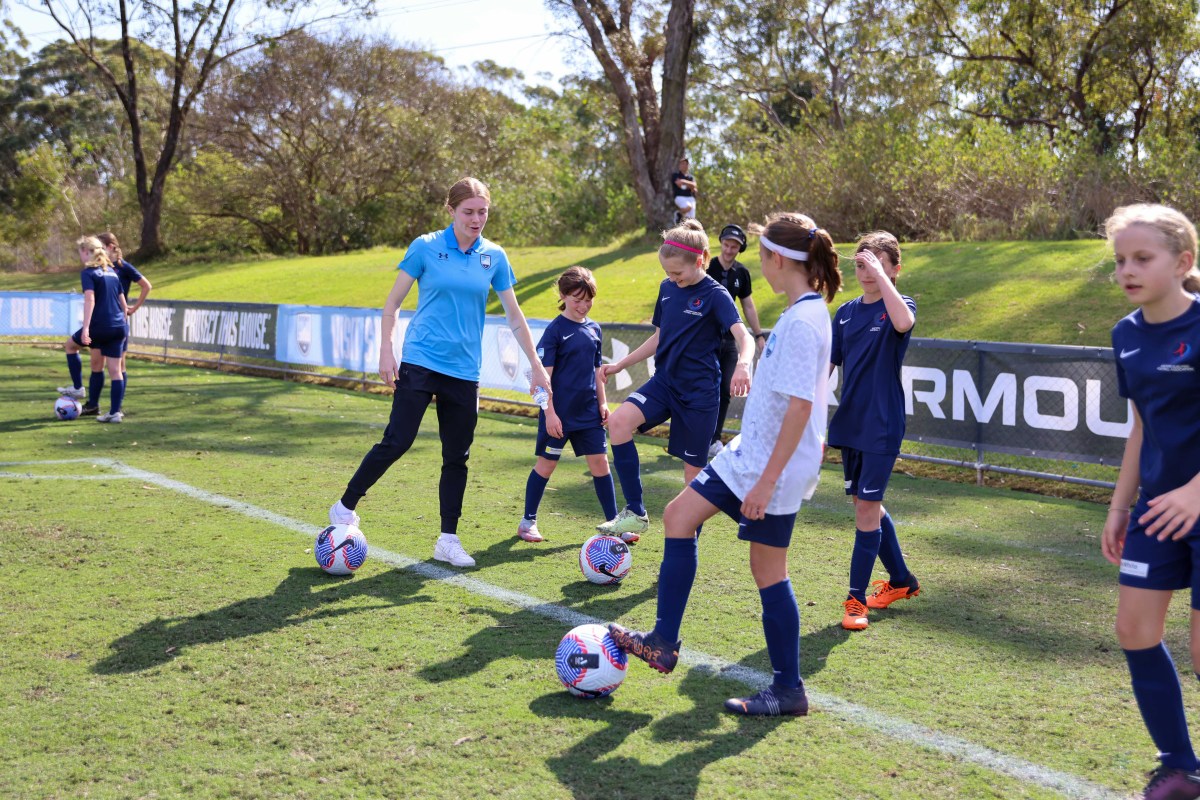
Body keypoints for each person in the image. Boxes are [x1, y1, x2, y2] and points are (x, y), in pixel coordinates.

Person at [606, 211, 840, 716]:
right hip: (748, 456)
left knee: (768, 570)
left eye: (763, 256)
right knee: (678, 516)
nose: (759, 265)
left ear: (778, 260)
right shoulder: (802, 312)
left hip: (769, 468)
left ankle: (789, 689)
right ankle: (663, 642)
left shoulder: (804, 321)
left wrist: (768, 482)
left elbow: (801, 409)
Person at [328, 177, 551, 568]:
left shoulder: (494, 256)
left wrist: (536, 366)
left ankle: (448, 540)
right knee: (398, 440)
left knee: (457, 457)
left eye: (483, 212)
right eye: (469, 212)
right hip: (421, 360)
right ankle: (345, 506)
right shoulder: (425, 246)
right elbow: (392, 304)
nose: (476, 219)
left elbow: (515, 317)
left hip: (464, 370)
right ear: (451, 210)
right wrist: (386, 350)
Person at [1100, 204, 1200, 800]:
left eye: (1142, 258)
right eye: (1120, 261)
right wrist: (1120, 507)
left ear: (1182, 262)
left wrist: (1196, 492)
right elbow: (1140, 426)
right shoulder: (1126, 335)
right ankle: (1180, 768)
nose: (1127, 271)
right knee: (1134, 630)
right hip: (1158, 509)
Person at [596, 219, 754, 543]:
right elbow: (659, 337)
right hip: (665, 384)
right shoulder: (667, 288)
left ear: (701, 260)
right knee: (619, 423)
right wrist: (621, 364)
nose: (672, 279)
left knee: (693, 483)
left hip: (699, 396)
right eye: (667, 273)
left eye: (678, 273)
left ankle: (688, 548)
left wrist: (743, 364)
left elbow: (744, 336)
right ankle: (636, 511)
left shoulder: (716, 295)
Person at [829, 231, 921, 631]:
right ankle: (901, 580)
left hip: (883, 424)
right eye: (861, 263)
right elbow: (826, 369)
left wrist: (883, 277)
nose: (866, 270)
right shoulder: (845, 313)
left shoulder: (900, 305)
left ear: (895, 269)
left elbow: (904, 321)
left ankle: (855, 601)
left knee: (867, 509)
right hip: (850, 423)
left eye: (877, 263)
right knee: (865, 506)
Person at [516, 266, 618, 542]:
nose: (583, 306)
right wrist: (550, 413)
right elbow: (541, 381)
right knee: (547, 465)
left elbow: (597, 371)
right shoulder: (554, 332)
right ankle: (528, 522)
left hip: (589, 414)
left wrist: (603, 404)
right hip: (558, 415)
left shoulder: (594, 329)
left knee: (601, 463)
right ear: (562, 295)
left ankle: (614, 523)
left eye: (588, 300)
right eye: (577, 299)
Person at [706, 223, 766, 458]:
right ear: (721, 243)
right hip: (705, 340)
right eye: (726, 244)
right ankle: (695, 434)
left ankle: (714, 439)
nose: (729, 250)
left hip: (729, 341)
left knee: (725, 389)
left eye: (734, 246)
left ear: (740, 249)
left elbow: (748, 305)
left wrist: (758, 335)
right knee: (703, 387)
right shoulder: (707, 267)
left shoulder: (742, 273)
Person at [61, 236, 128, 423]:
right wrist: (122, 321)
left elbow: (90, 299)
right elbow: (123, 302)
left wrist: (86, 328)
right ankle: (114, 413)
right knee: (115, 371)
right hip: (119, 326)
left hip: (100, 326)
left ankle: (78, 388)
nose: (80, 256)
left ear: (86, 252)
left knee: (70, 346)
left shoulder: (88, 273)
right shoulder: (111, 272)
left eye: (80, 252)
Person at [670, 157, 698, 222]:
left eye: (686, 164)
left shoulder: (691, 177)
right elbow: (679, 184)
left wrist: (683, 181)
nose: (684, 165)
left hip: (690, 198)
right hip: (679, 197)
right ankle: (678, 213)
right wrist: (689, 186)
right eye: (682, 164)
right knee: (689, 207)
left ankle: (681, 218)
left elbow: (694, 186)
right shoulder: (676, 175)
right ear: (679, 165)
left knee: (691, 219)